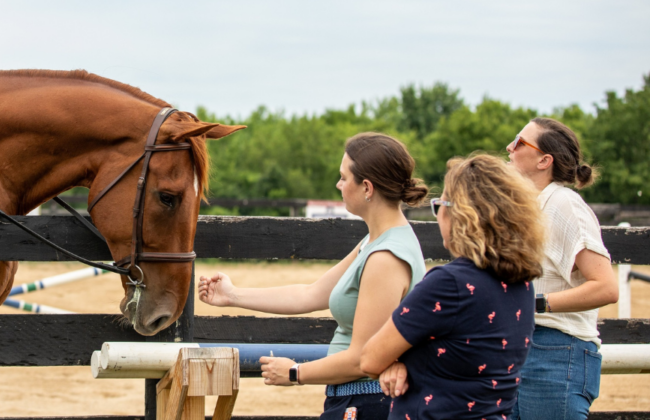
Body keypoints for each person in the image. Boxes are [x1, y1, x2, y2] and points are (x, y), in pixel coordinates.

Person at [198, 132, 429, 419]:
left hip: (367, 401)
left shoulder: (386, 257)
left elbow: (362, 360)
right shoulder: (375, 242)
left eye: (344, 177)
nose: (338, 184)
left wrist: (296, 373)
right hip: (354, 399)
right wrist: (232, 295)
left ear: (367, 187)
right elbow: (311, 293)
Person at [360, 154, 545, 420]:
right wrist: (399, 363)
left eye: (440, 204)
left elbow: (370, 359)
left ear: (460, 213)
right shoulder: (522, 284)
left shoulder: (449, 284)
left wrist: (395, 362)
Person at [506, 118, 619, 420]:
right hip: (529, 349)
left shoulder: (563, 204)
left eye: (519, 142)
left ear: (544, 160)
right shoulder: (534, 206)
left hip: (557, 351)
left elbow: (606, 287)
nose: (509, 148)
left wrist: (535, 304)